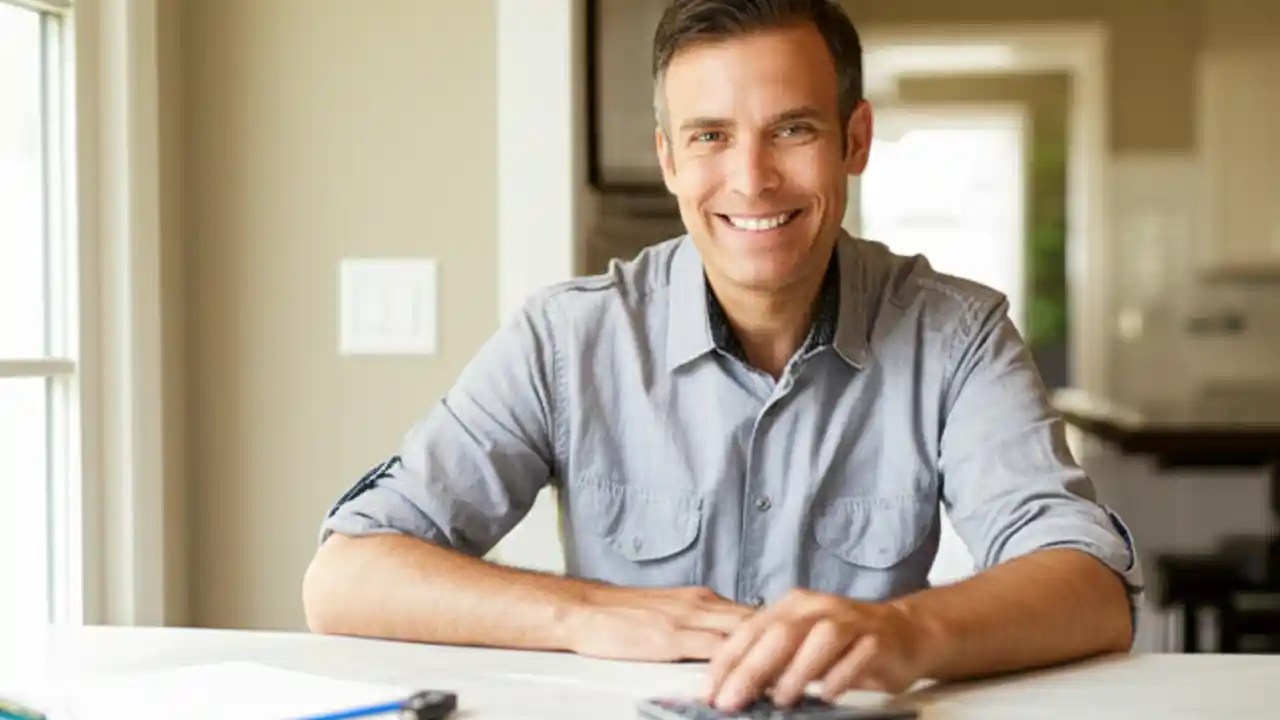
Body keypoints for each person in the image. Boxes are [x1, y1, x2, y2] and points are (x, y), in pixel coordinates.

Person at [303, 0, 1141, 712]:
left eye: (792, 129)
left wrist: (905, 631)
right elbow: (345, 578)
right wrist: (586, 613)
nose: (752, 178)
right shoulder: (564, 340)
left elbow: (1090, 585)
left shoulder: (958, 335)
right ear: (669, 158)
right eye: (710, 136)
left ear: (855, 140)